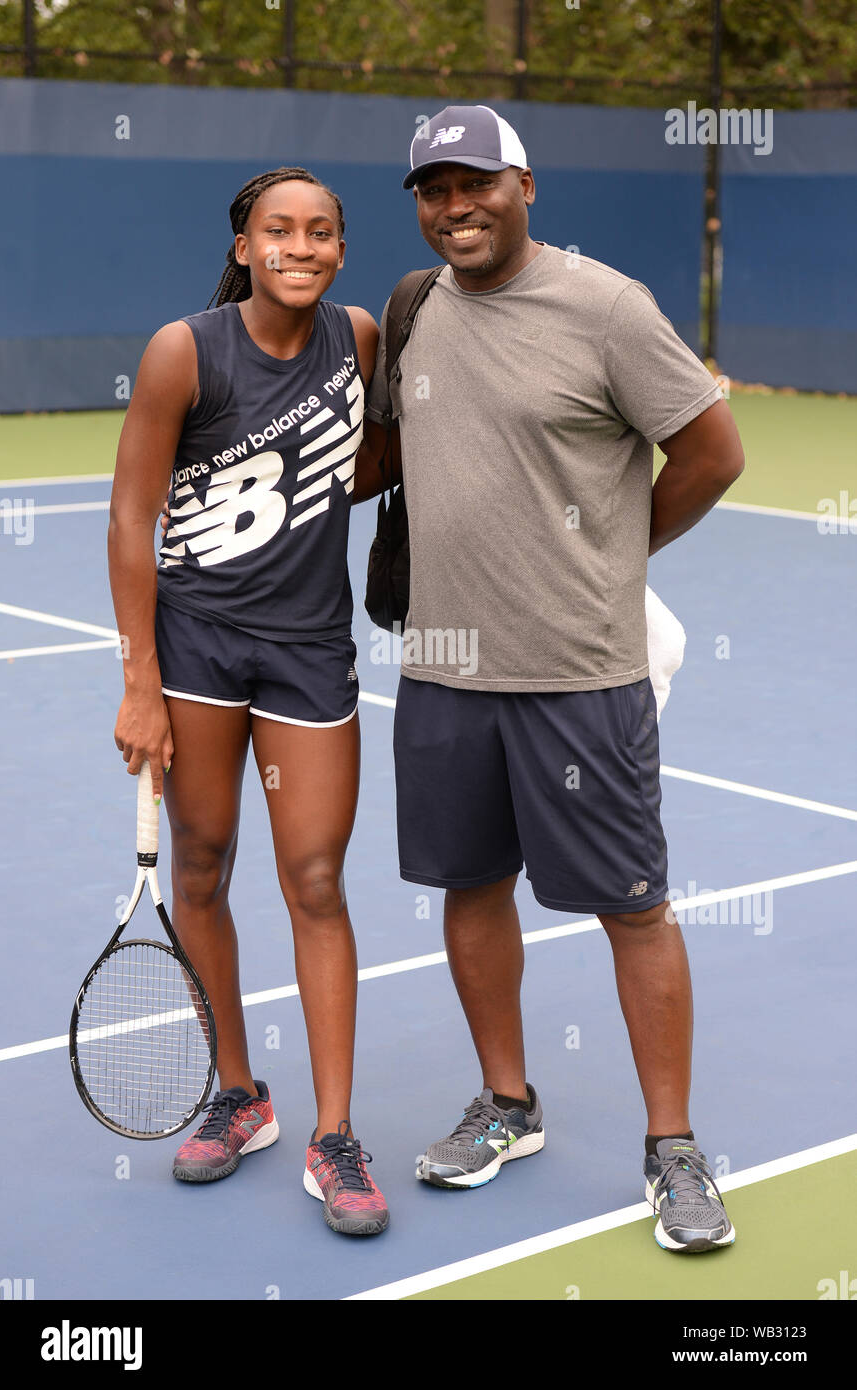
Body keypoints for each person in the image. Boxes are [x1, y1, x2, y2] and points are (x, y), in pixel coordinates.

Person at [353, 105, 745, 1253]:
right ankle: (507, 1104)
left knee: (632, 906)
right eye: (432, 190)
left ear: (526, 184)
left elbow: (713, 450)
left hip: (578, 667)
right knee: (469, 887)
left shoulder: (606, 307)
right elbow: (385, 454)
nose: (454, 207)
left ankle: (671, 1148)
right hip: (441, 663)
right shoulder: (415, 307)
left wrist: (607, 563)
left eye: (475, 183)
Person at [109, 166, 389, 1238]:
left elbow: (356, 467)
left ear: (339, 251)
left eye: (321, 231)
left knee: (314, 876)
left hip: (309, 651)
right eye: (280, 229)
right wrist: (140, 678)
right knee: (203, 863)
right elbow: (130, 517)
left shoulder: (357, 337)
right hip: (196, 649)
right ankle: (239, 1090)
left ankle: (333, 1134)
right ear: (244, 247)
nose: (301, 245)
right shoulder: (184, 352)